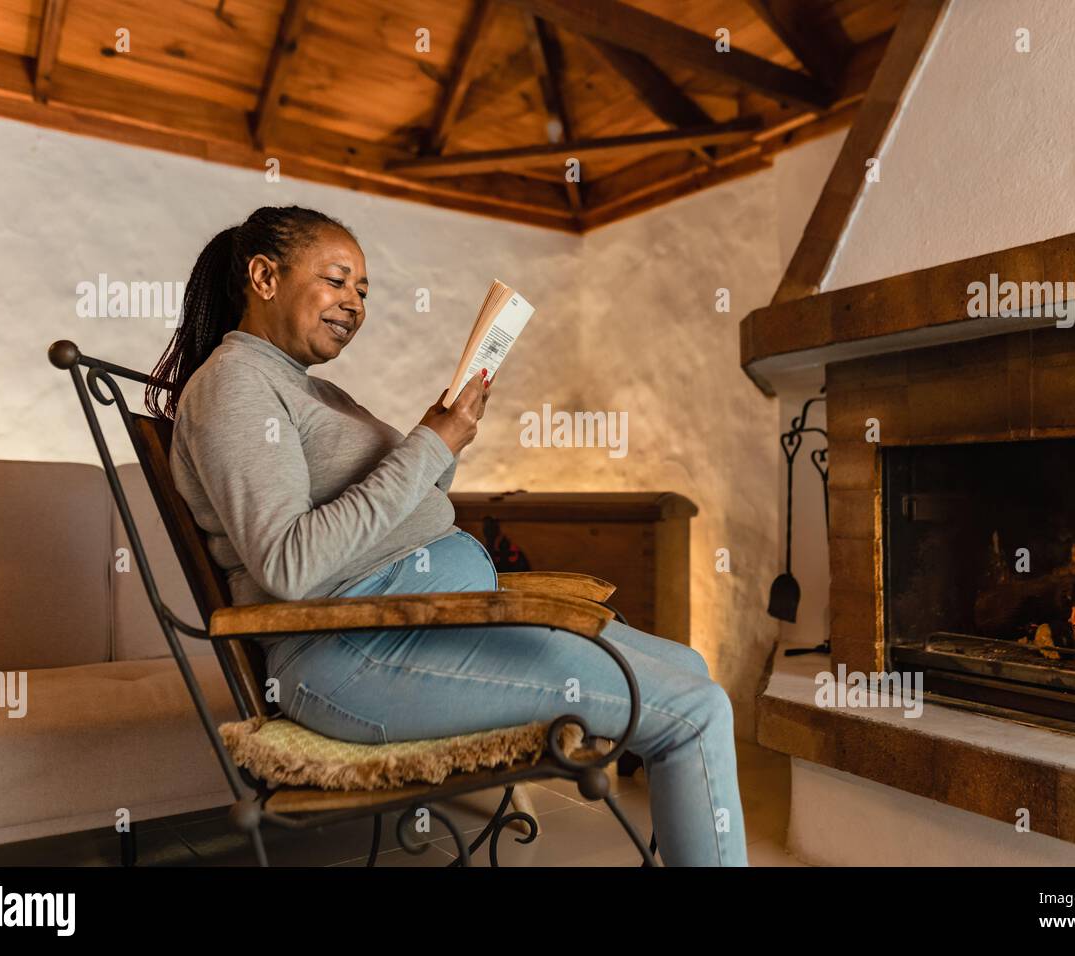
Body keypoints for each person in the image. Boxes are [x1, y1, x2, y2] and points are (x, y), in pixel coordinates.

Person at [149, 205, 747, 866]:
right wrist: (431, 444)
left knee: (688, 670)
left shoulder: (309, 389)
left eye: (364, 291)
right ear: (264, 275)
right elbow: (290, 564)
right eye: (339, 281)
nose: (355, 303)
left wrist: (445, 432)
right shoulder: (235, 385)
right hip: (352, 656)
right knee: (695, 710)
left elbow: (399, 505)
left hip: (431, 624)